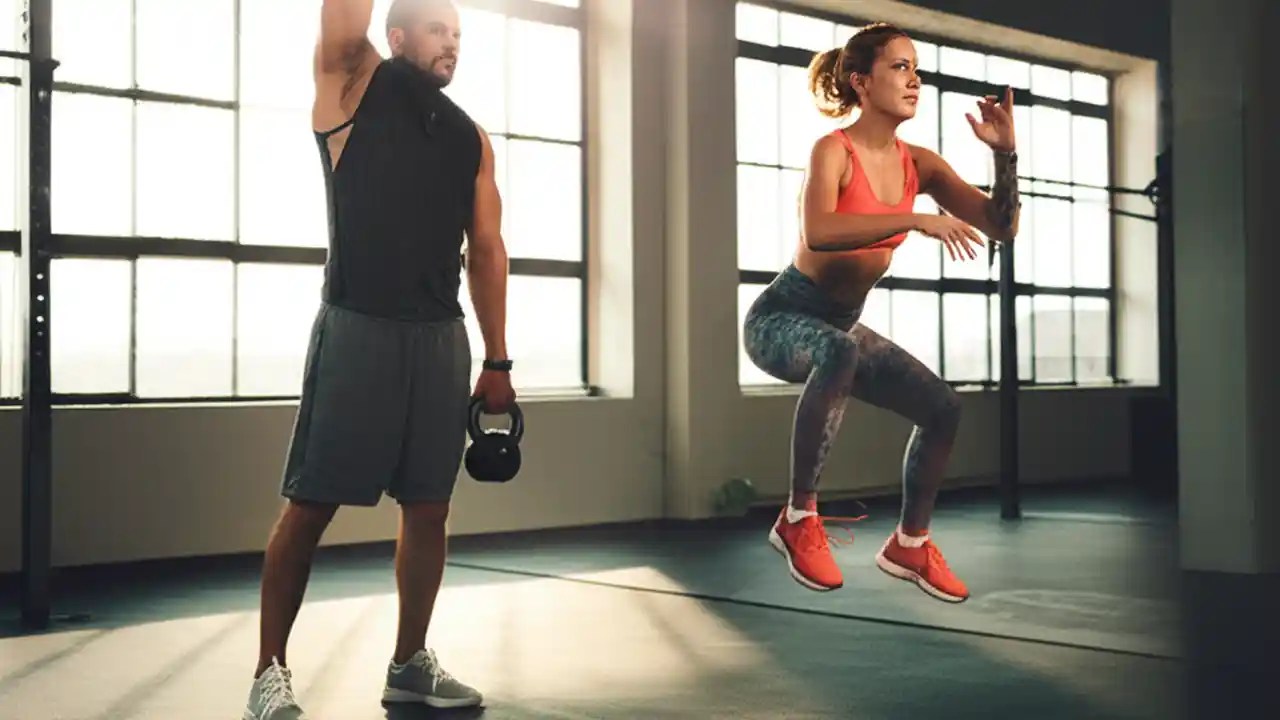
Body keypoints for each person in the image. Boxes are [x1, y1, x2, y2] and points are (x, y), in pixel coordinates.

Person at [243, 1, 514, 717]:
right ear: (395, 37)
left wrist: (498, 361)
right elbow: (341, 14)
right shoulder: (354, 79)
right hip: (358, 326)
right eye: (437, 30)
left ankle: (409, 663)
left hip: (440, 335)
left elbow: (487, 249)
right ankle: (268, 673)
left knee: (430, 507)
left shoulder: (470, 137)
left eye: (459, 34)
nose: (452, 43)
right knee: (311, 504)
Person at [744, 23, 1020, 601]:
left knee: (942, 407)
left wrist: (1005, 155)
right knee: (838, 349)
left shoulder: (920, 164)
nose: (914, 79)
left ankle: (910, 544)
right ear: (861, 82)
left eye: (916, 68)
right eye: (899, 67)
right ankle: (798, 518)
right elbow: (820, 232)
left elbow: (1001, 226)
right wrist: (914, 218)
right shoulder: (833, 151)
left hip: (841, 326)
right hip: (781, 317)